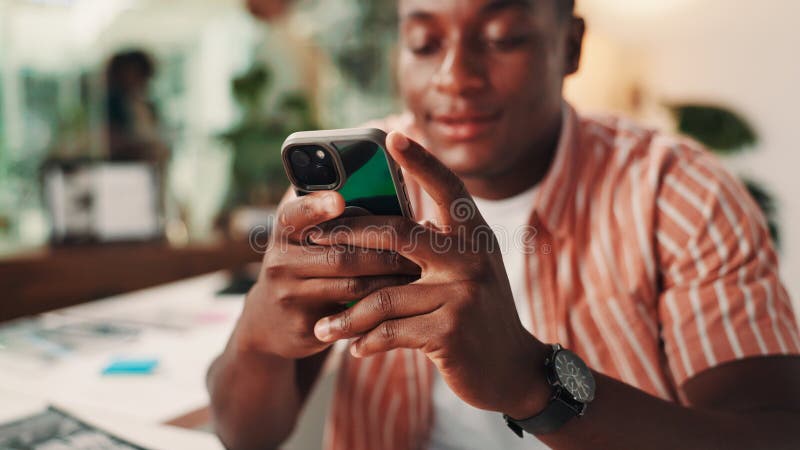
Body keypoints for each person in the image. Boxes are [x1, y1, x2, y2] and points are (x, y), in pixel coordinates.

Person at [207, 1, 800, 449]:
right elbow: (246, 435)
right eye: (422, 43)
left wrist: (532, 383)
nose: (456, 76)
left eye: (503, 38)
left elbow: (773, 433)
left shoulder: (681, 195)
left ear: (569, 46)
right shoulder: (350, 188)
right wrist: (258, 339)